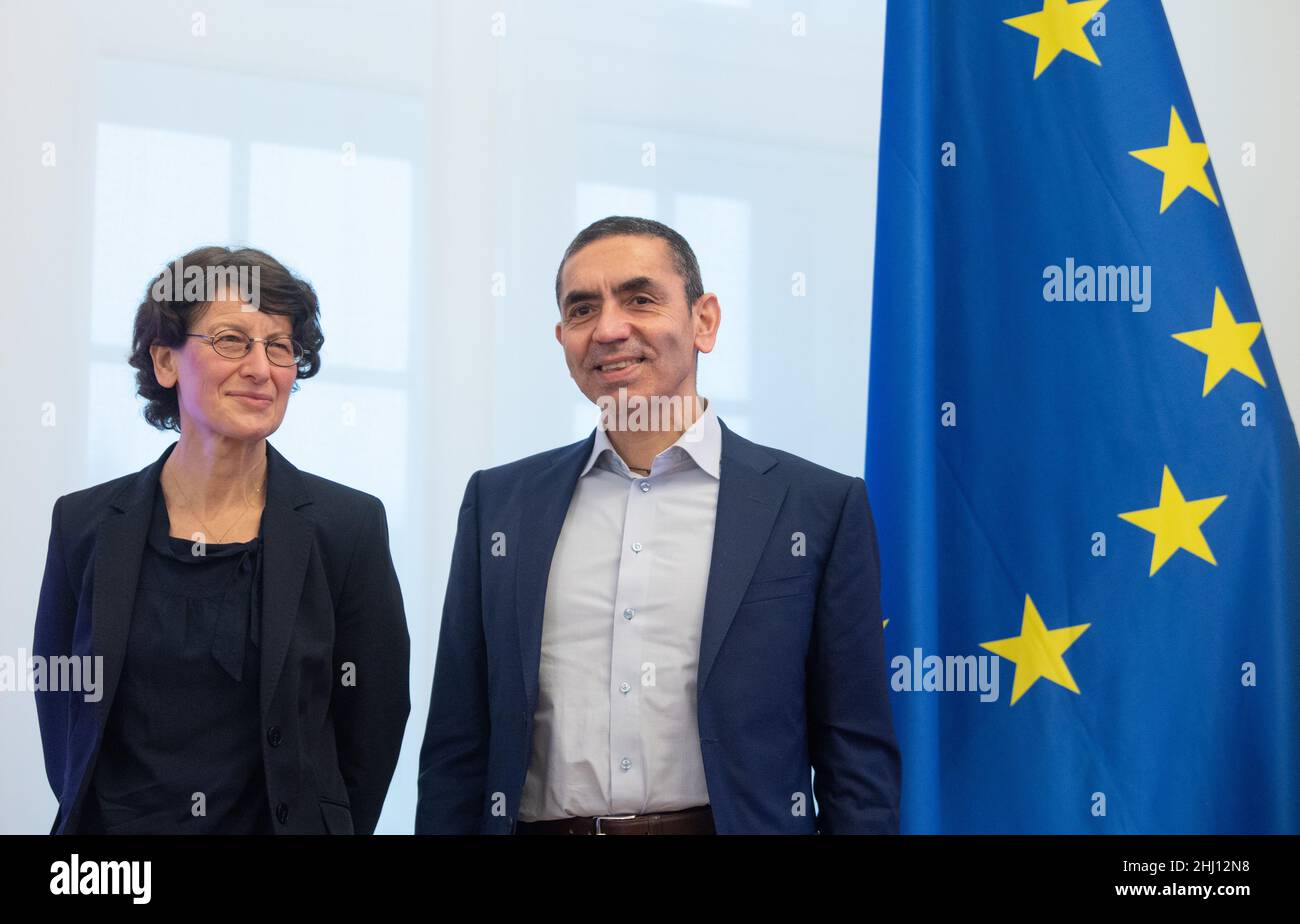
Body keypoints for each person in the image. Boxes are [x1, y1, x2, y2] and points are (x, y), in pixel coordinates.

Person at [417, 216, 900, 834]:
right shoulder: (499, 504)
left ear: (705, 321)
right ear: (563, 336)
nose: (610, 329)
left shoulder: (815, 507)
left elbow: (855, 754)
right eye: (583, 309)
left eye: (640, 299)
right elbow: (458, 743)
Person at [33, 245, 410, 835]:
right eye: (232, 340)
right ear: (165, 362)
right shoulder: (83, 524)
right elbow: (64, 717)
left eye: (279, 345)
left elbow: (375, 720)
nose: (261, 368)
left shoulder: (348, 526)